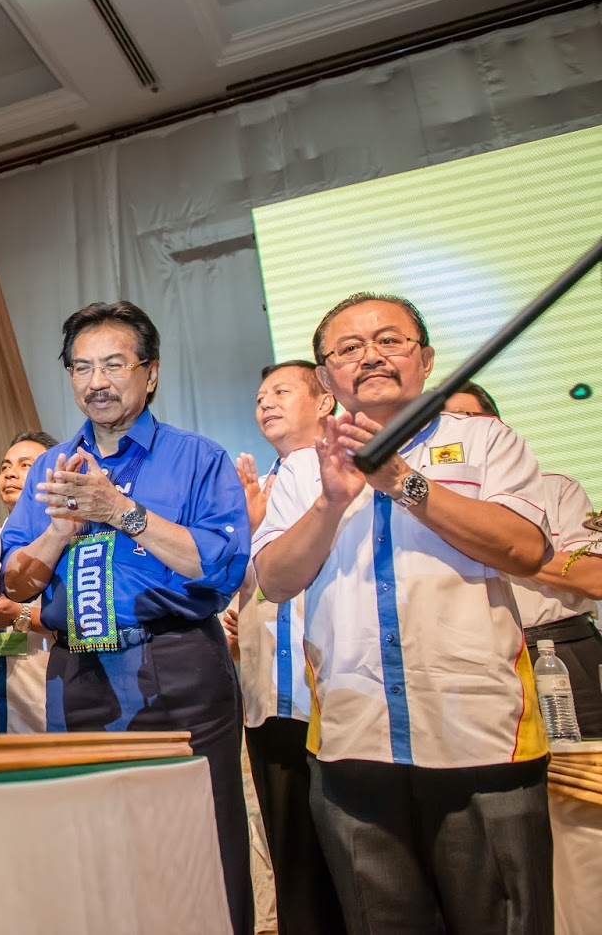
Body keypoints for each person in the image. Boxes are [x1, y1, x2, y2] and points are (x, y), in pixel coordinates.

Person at [254, 294, 554, 935]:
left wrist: (403, 482)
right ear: (328, 378)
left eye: (390, 341)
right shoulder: (306, 471)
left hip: (480, 735)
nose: (370, 357)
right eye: (348, 349)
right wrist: (331, 505)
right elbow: (275, 581)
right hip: (351, 744)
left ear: (426, 359)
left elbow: (526, 549)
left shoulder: (484, 440)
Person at [0, 300, 252, 935]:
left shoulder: (198, 458)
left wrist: (121, 511)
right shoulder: (47, 468)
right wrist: (57, 535)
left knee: (204, 841)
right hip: (76, 672)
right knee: (94, 843)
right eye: (81, 368)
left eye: (113, 364)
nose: (96, 381)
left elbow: (220, 569)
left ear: (152, 373)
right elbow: (14, 580)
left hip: (178, 664)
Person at [234, 361, 344, 935]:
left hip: (331, 698)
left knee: (355, 865)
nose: (266, 403)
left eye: (280, 391)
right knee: (294, 866)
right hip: (267, 699)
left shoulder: (353, 473)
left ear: (325, 402)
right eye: (260, 397)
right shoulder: (260, 489)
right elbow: (244, 588)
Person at [444, 382, 602, 735]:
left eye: (468, 417)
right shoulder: (428, 509)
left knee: (588, 774)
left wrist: (497, 541)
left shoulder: (556, 488)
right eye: (446, 423)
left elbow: (595, 578)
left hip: (564, 651)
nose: (461, 429)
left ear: (498, 427)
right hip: (474, 664)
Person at [0, 431, 57, 734]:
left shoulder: (69, 541)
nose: (10, 473)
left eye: (24, 465)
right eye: (6, 466)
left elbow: (85, 619)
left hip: (44, 701)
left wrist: (19, 614)